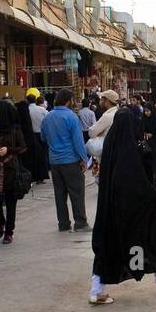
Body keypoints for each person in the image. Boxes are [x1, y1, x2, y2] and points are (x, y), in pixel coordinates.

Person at [89, 111, 156, 305]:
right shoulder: (130, 152)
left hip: (110, 212)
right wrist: (151, 200)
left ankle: (97, 290)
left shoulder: (112, 146)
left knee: (109, 247)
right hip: (132, 214)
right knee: (145, 240)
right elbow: (138, 185)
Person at [44, 87, 91, 232]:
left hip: (55, 162)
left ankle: (63, 224)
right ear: (68, 100)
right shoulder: (71, 117)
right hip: (70, 161)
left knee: (60, 194)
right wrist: (83, 158)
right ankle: (80, 222)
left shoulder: (48, 117)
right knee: (76, 193)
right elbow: (78, 141)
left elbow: (43, 137)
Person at [0, 99, 27, 244]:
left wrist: (9, 149)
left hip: (11, 169)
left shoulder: (14, 129)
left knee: (10, 201)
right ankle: (0, 222)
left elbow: (22, 147)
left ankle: (9, 231)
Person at [18, 88, 49, 185]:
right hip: (41, 134)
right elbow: (48, 120)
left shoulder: (26, 110)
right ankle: (41, 177)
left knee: (31, 157)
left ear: (27, 100)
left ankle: (31, 176)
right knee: (42, 156)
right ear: (35, 100)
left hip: (30, 135)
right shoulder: (42, 110)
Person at [139, 100, 156, 186]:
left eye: (148, 111)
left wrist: (153, 135)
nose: (146, 113)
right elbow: (139, 131)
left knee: (154, 168)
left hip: (155, 147)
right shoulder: (143, 119)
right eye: (145, 111)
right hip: (145, 148)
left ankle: (155, 184)